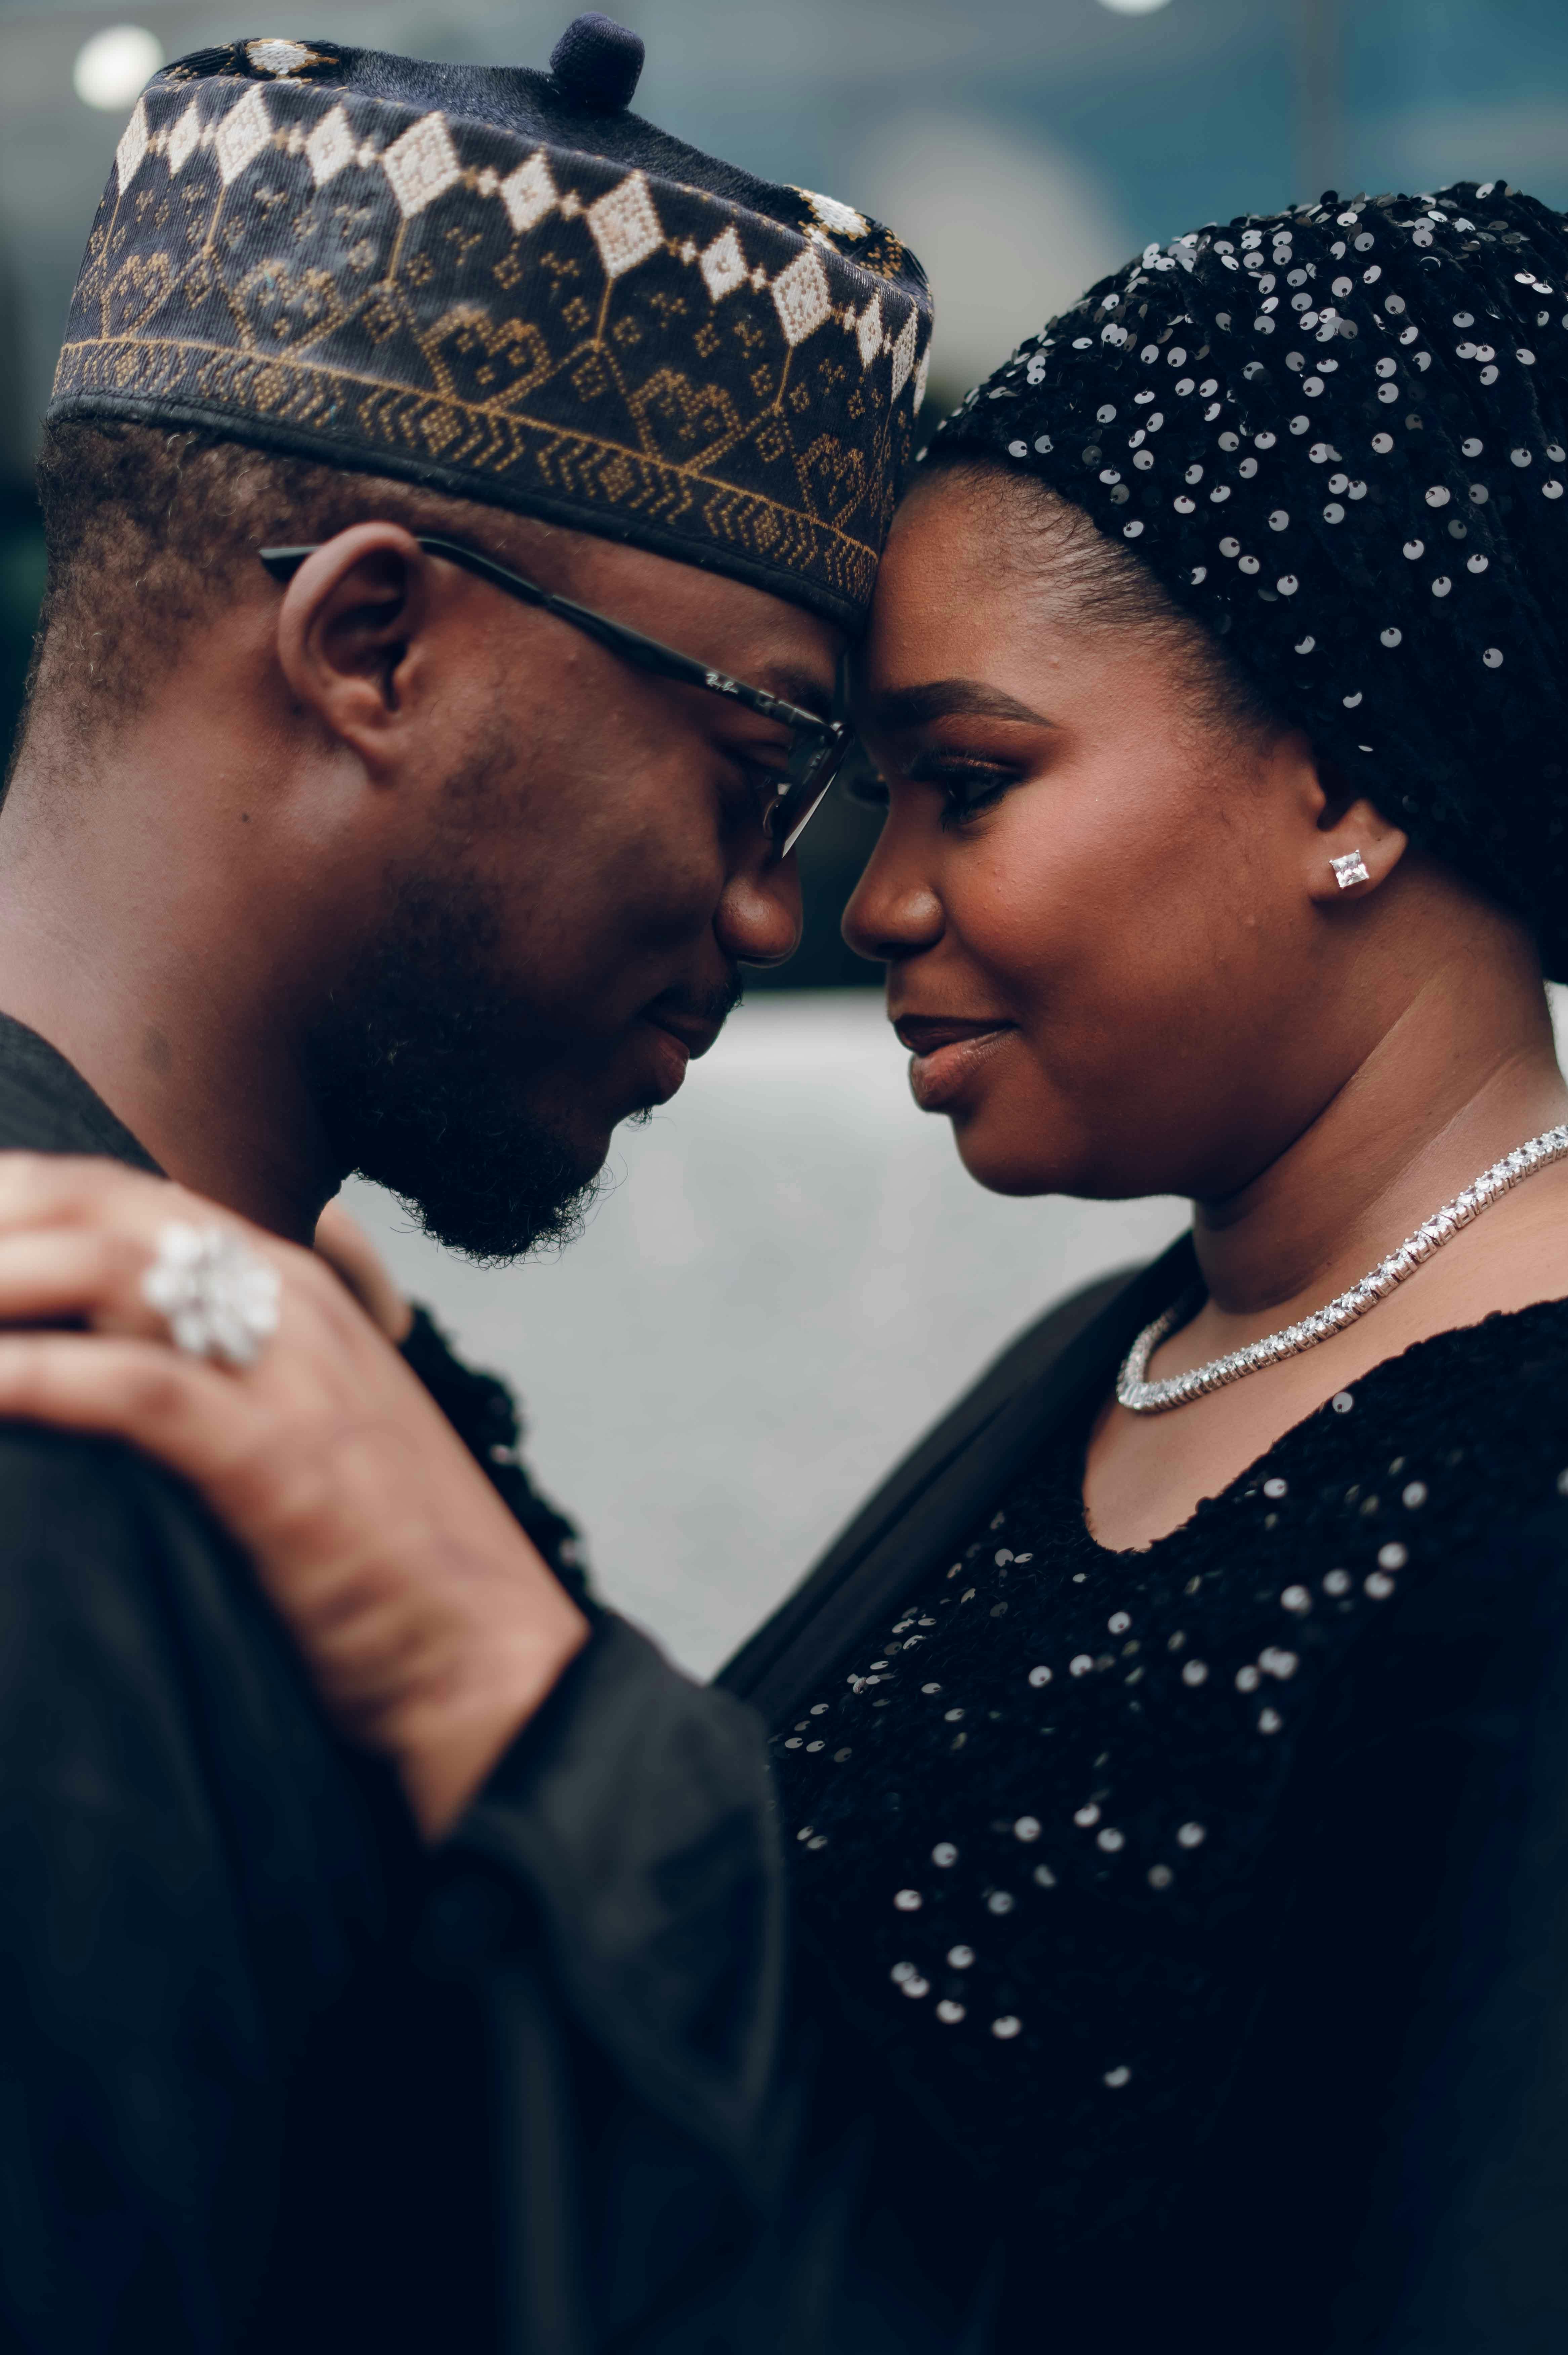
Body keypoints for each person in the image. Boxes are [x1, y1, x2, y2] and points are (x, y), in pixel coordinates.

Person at [7, 179, 1568, 2350]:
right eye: (828, 788)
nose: (853, 903)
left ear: (1339, 770)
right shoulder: (1119, 1368)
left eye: (966, 781)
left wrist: (518, 1692)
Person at [0, 17, 930, 2351]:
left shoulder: (251, 1348)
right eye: (757, 766)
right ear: (372, 645)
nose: (771, 910)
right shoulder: (52, 1420)